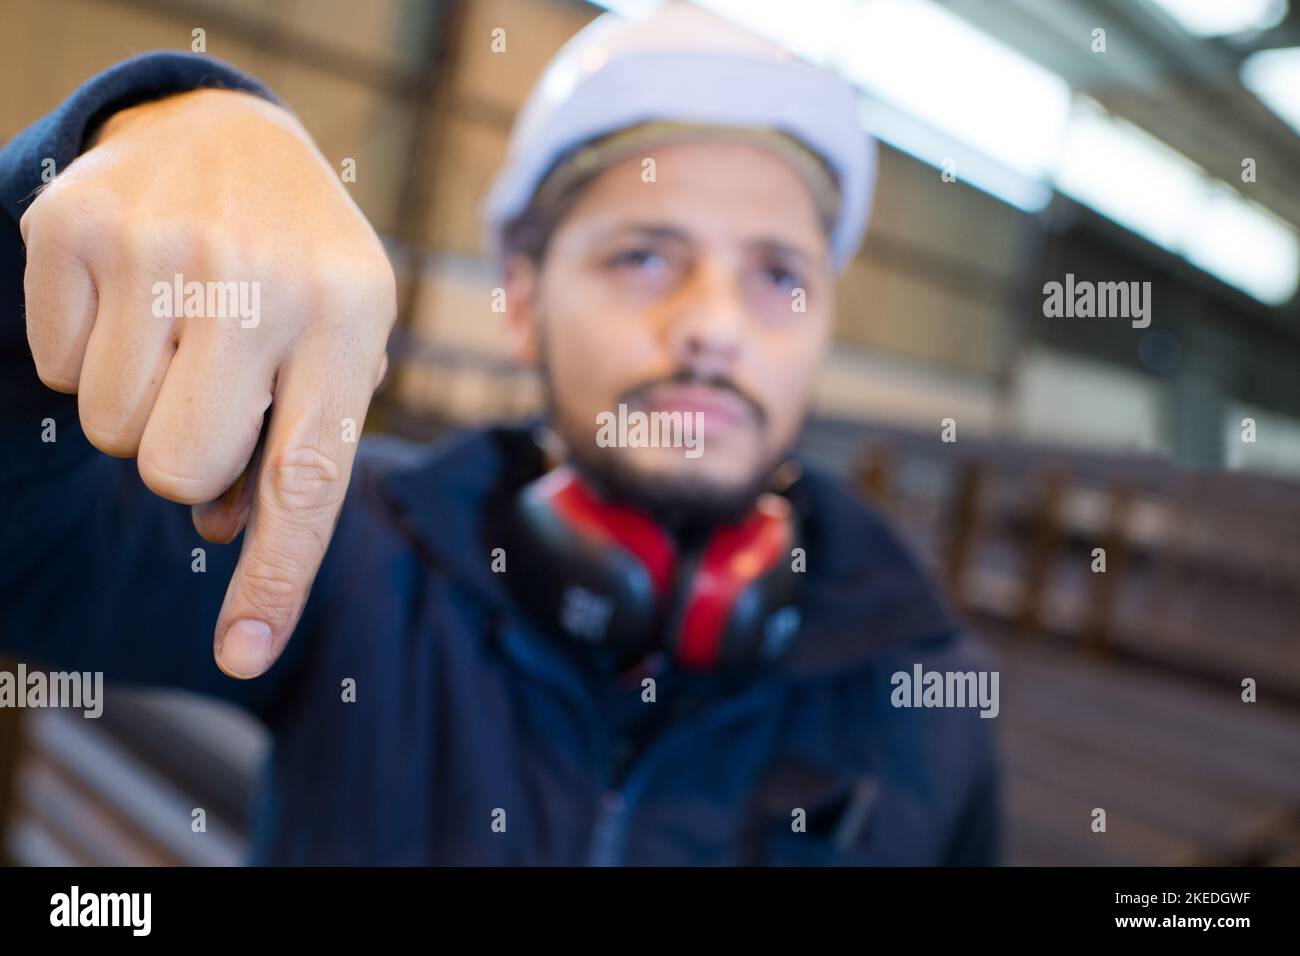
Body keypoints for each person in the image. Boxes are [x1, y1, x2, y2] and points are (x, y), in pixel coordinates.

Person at [0, 3, 999, 865]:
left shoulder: (927, 688)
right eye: (646, 256)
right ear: (521, 300)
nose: (715, 323)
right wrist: (128, 138)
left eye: (778, 275)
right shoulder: (359, 556)